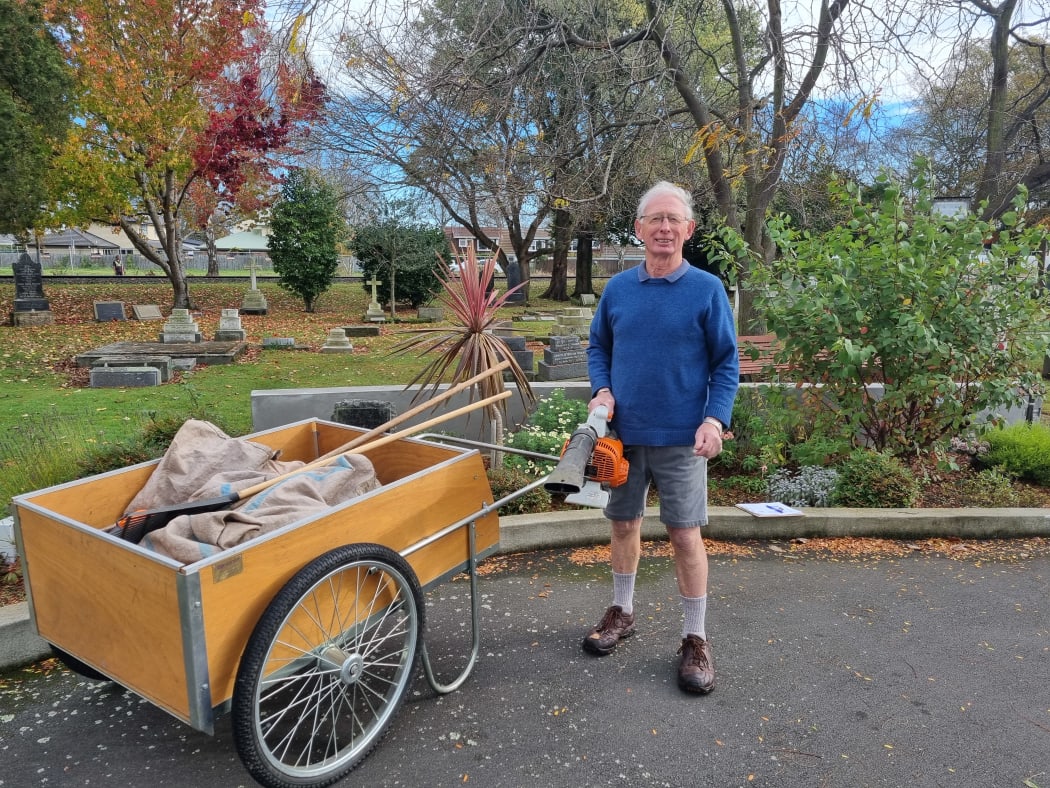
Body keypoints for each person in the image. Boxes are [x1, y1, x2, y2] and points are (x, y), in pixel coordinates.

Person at [583, 181, 739, 695]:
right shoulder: (618, 290)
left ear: (688, 230)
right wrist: (602, 390)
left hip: (681, 440)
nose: (665, 228)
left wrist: (714, 420)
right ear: (639, 229)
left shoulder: (707, 290)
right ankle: (622, 611)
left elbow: (726, 363)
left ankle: (695, 638)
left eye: (674, 220)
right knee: (624, 525)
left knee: (684, 534)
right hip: (621, 438)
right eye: (656, 219)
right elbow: (598, 347)